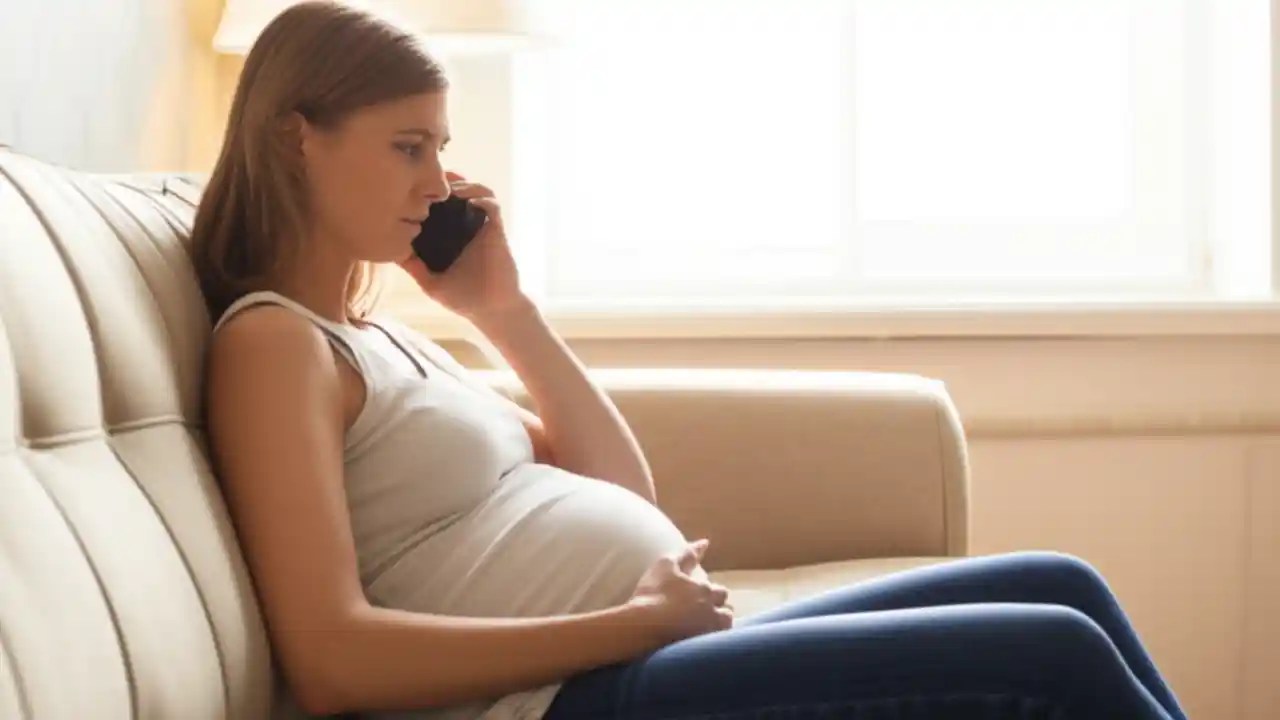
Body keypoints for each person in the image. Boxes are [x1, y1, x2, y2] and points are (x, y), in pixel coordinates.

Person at [193, 3, 1189, 719]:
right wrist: (627, 626)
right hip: (566, 698)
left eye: (440, 147)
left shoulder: (384, 336)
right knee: (1049, 654)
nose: (441, 180)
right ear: (297, 141)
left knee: (1063, 584)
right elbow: (332, 662)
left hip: (636, 651)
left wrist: (505, 312)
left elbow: (625, 492)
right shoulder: (273, 344)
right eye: (407, 146)